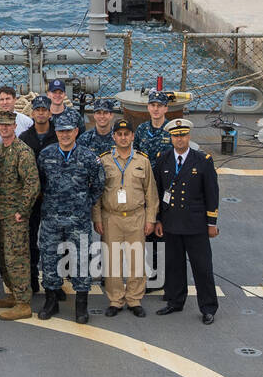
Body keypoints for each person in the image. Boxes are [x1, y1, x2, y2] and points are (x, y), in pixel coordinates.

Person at [37, 111, 105, 324]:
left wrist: (85, 203)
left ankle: (81, 305)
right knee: (49, 259)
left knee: (81, 260)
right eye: (60, 131)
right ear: (55, 132)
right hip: (52, 218)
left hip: (78, 219)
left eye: (68, 131)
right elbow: (40, 184)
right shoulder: (46, 155)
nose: (64, 135)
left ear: (76, 131)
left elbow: (99, 184)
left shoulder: (88, 157)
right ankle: (51, 301)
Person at [154, 118, 220, 324]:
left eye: (182, 135)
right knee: (174, 265)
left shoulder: (203, 160)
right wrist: (157, 220)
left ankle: (208, 307)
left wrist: (211, 223)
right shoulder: (163, 159)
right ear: (170, 137)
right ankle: (175, 300)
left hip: (196, 224)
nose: (179, 139)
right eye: (175, 136)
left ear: (188, 136)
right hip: (171, 222)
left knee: (202, 267)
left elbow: (212, 192)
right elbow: (156, 192)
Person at [93, 118, 158, 317]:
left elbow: (151, 193)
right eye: (119, 134)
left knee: (136, 259)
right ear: (114, 137)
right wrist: (97, 218)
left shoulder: (142, 161)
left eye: (126, 134)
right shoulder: (104, 160)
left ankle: (134, 299)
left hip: (135, 216)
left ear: (132, 136)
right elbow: (98, 192)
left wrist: (151, 219)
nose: (123, 138)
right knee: (112, 260)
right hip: (111, 217)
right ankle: (115, 300)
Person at [0, 111, 41, 321]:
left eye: (8, 125)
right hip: (0, 215)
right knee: (2, 257)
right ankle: (13, 294)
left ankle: (23, 303)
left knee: (17, 259)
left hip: (15, 217)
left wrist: (23, 210)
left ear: (14, 126)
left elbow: (33, 183)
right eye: (1, 125)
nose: (4, 128)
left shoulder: (23, 151)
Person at [133, 90, 173, 293]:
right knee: (147, 230)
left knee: (163, 231)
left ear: (166, 108)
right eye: (153, 105)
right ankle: (150, 273)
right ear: (148, 107)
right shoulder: (141, 130)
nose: (156, 109)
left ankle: (163, 274)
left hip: (165, 186)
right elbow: (137, 155)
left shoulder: (172, 130)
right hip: (144, 186)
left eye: (160, 105)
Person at [18, 94, 57, 296]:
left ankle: (55, 284)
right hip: (32, 199)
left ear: (50, 112)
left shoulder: (59, 136)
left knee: (54, 242)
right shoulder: (25, 138)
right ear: (32, 113)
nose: (41, 113)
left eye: (44, 110)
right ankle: (32, 280)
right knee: (30, 240)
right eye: (38, 110)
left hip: (53, 198)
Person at [0, 85, 34, 152]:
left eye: (8, 99)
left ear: (15, 99)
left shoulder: (27, 122)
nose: (5, 102)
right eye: (2, 99)